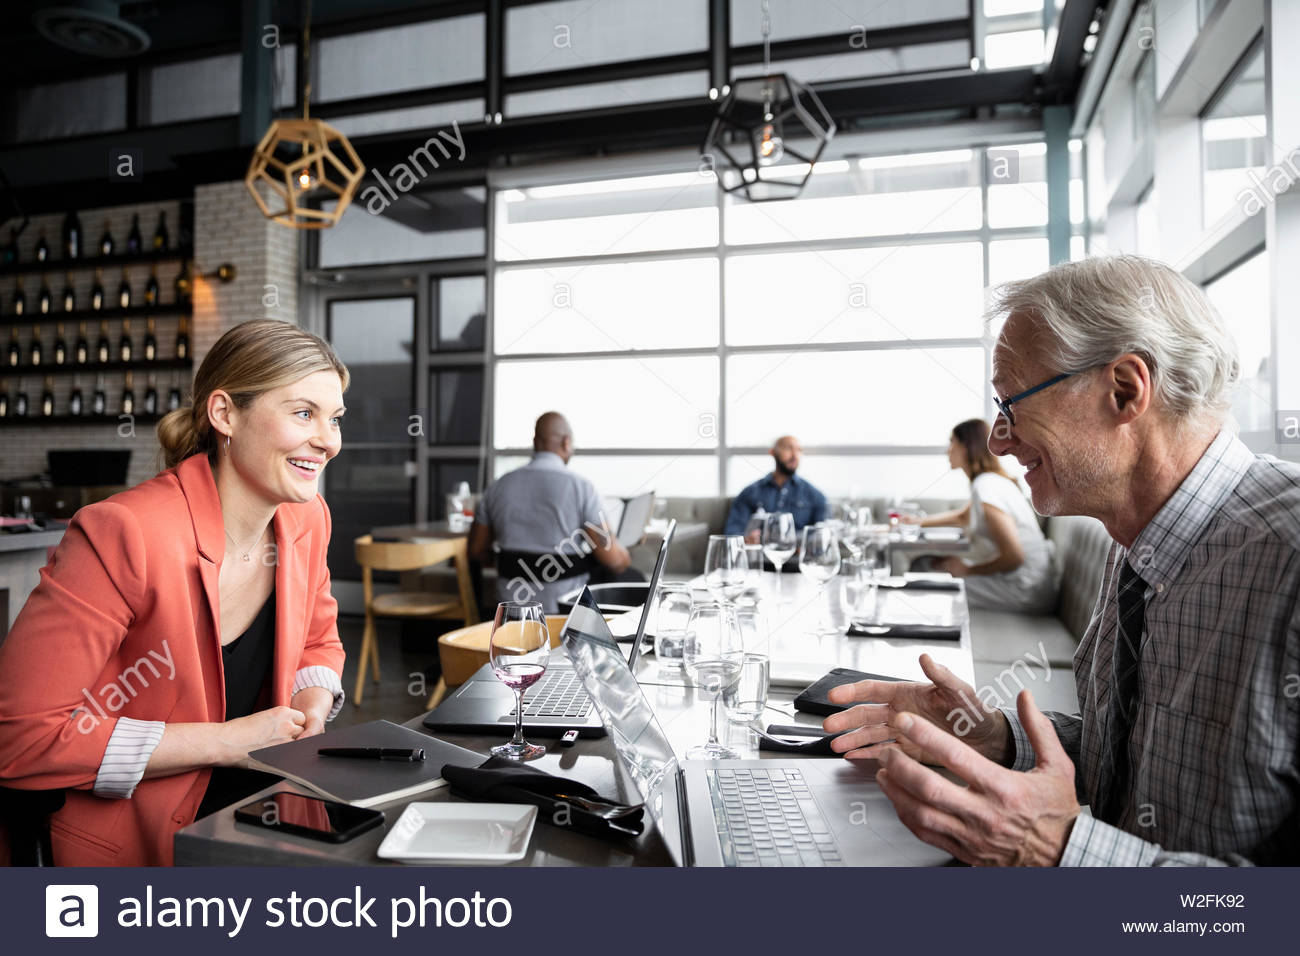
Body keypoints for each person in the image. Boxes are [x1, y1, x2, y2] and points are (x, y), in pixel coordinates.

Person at [824, 254, 1300, 866]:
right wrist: (994, 737)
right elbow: (1134, 767)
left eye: (1011, 403)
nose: (998, 439)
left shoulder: (1286, 561)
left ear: (1125, 390)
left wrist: (1058, 852)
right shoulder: (1135, 543)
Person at [0, 319, 350, 866]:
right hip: (132, 849)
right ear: (225, 414)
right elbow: (20, 740)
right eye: (304, 413)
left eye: (335, 419)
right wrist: (228, 741)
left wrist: (313, 704)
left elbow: (317, 642)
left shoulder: (307, 520)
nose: (329, 440)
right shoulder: (123, 532)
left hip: (264, 817)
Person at [469, 412, 630, 613]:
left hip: (511, 612)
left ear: (535, 442)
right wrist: (625, 553)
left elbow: (476, 551)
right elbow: (614, 561)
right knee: (631, 576)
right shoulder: (582, 488)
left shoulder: (497, 487)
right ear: (566, 442)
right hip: (566, 613)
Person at [917, 418, 1058, 613]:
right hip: (1030, 583)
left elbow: (1014, 556)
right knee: (929, 568)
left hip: (1025, 588)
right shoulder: (990, 482)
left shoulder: (986, 487)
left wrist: (967, 571)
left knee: (930, 584)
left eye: (952, 442)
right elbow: (961, 517)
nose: (948, 450)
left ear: (967, 446)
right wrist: (914, 522)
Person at [724, 435, 828, 540]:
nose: (795, 455)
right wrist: (746, 540)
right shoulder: (750, 493)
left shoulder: (815, 496)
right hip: (759, 554)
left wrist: (804, 544)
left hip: (798, 555)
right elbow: (732, 533)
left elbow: (824, 534)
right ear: (773, 452)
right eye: (788, 448)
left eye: (799, 450)